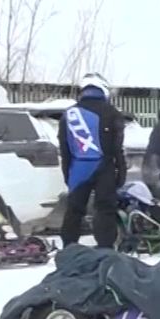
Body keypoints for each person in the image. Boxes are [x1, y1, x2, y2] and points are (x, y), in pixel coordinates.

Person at [56, 73, 127, 248]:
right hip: (104, 166)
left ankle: (69, 248)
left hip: (78, 167)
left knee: (74, 210)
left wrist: (67, 173)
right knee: (104, 209)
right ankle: (105, 249)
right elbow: (117, 147)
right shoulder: (111, 112)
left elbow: (64, 148)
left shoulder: (69, 114)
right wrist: (121, 172)